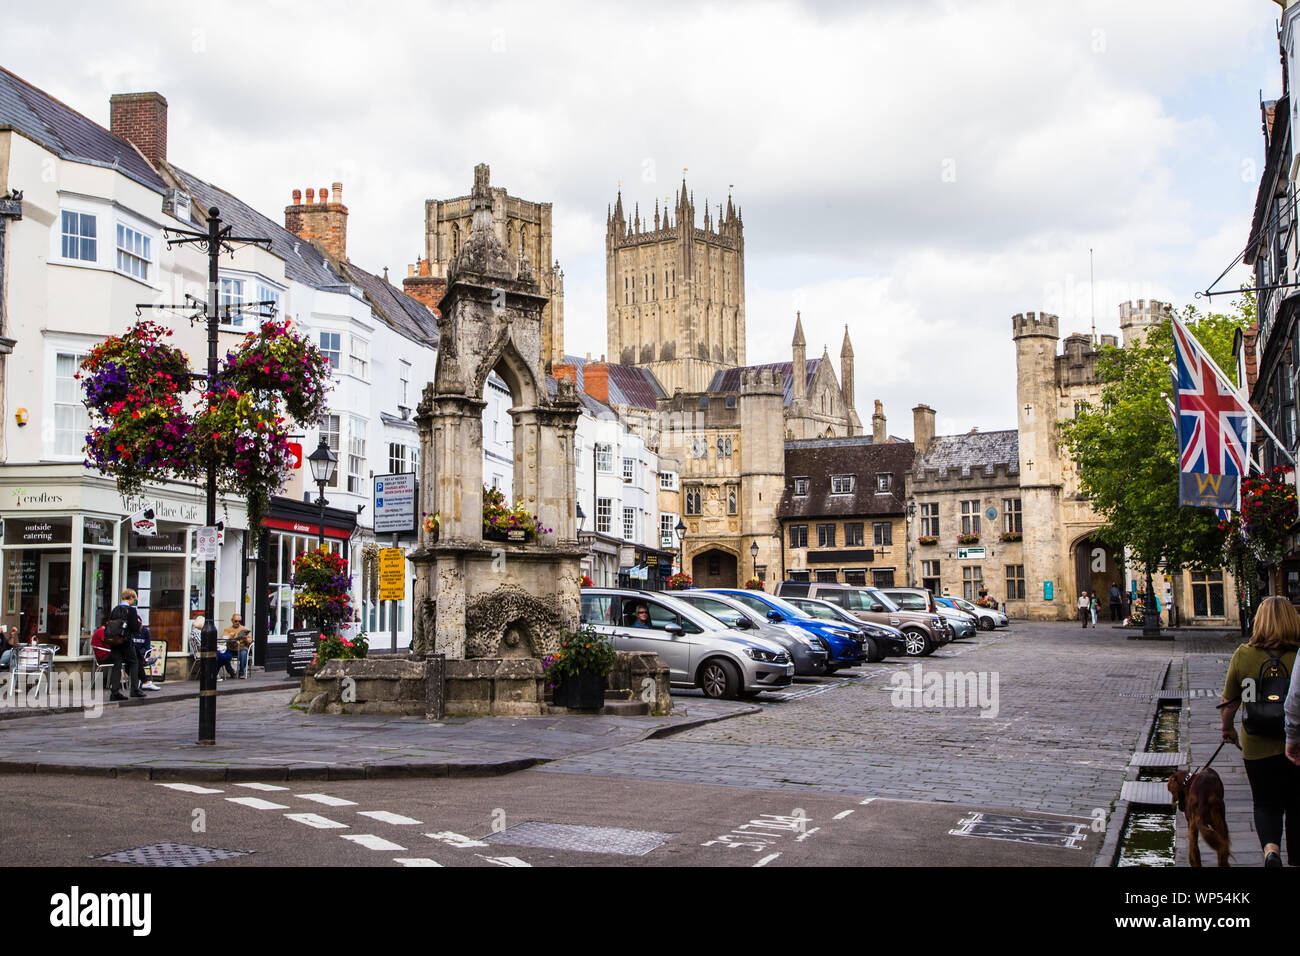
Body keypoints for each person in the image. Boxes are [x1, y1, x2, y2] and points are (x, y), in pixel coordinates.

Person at [1219, 596, 1300, 867]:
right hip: (1296, 744)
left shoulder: (1244, 655)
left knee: (1265, 803)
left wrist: (1227, 729)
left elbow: (1230, 703)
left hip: (1256, 743)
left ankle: (1270, 851)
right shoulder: (1298, 655)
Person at [105, 589, 145, 701]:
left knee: (117, 665)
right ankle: (134, 689)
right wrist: (138, 624)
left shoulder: (115, 609)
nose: (134, 601)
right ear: (131, 598)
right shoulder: (131, 610)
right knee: (134, 662)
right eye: (134, 599)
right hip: (126, 641)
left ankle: (114, 692)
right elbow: (134, 627)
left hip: (115, 641)